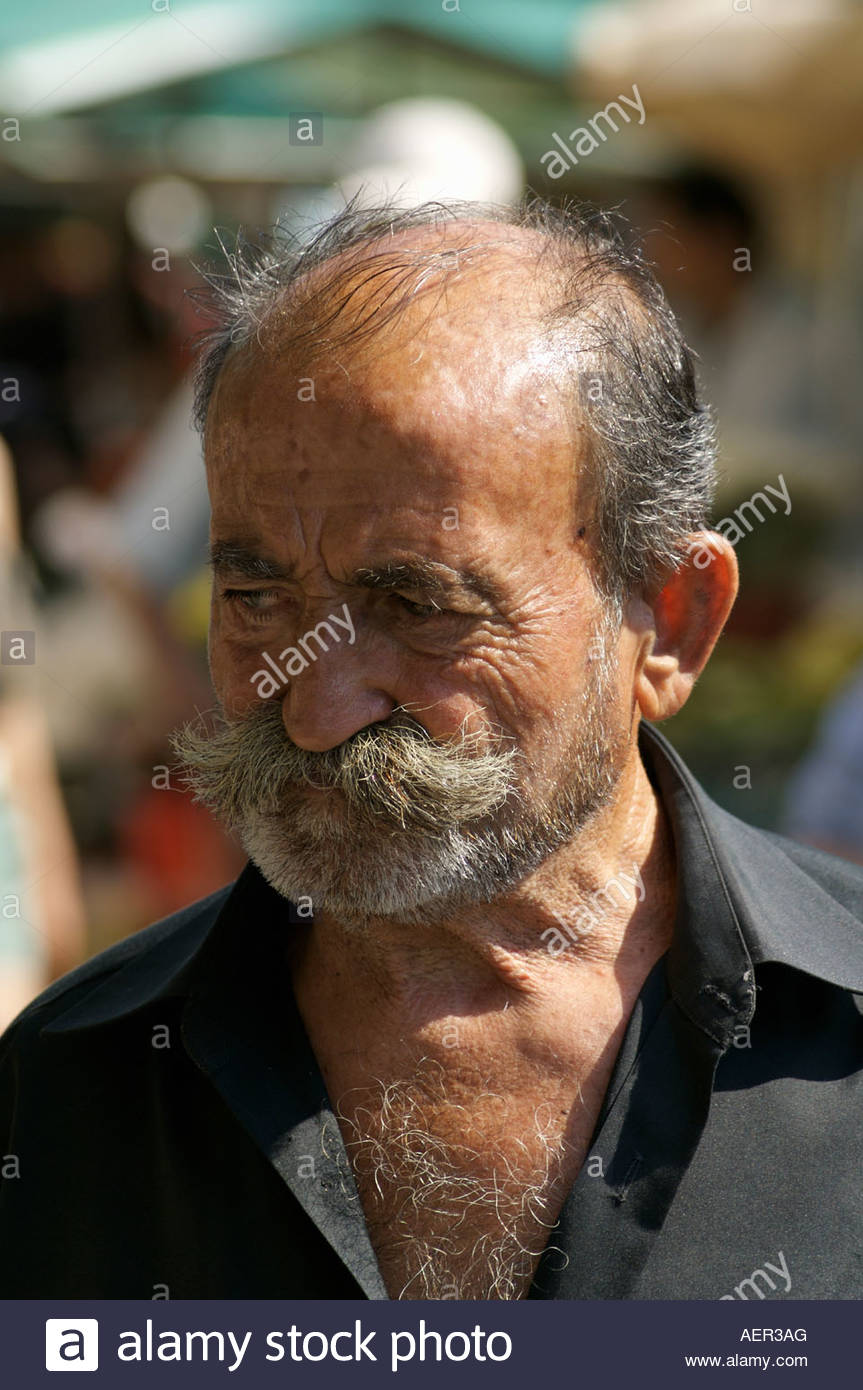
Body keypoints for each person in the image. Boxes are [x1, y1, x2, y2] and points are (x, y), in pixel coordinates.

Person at [1, 197, 862, 1301]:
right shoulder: (77, 1087)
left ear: (670, 620)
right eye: (255, 597)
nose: (314, 711)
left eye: (417, 603)